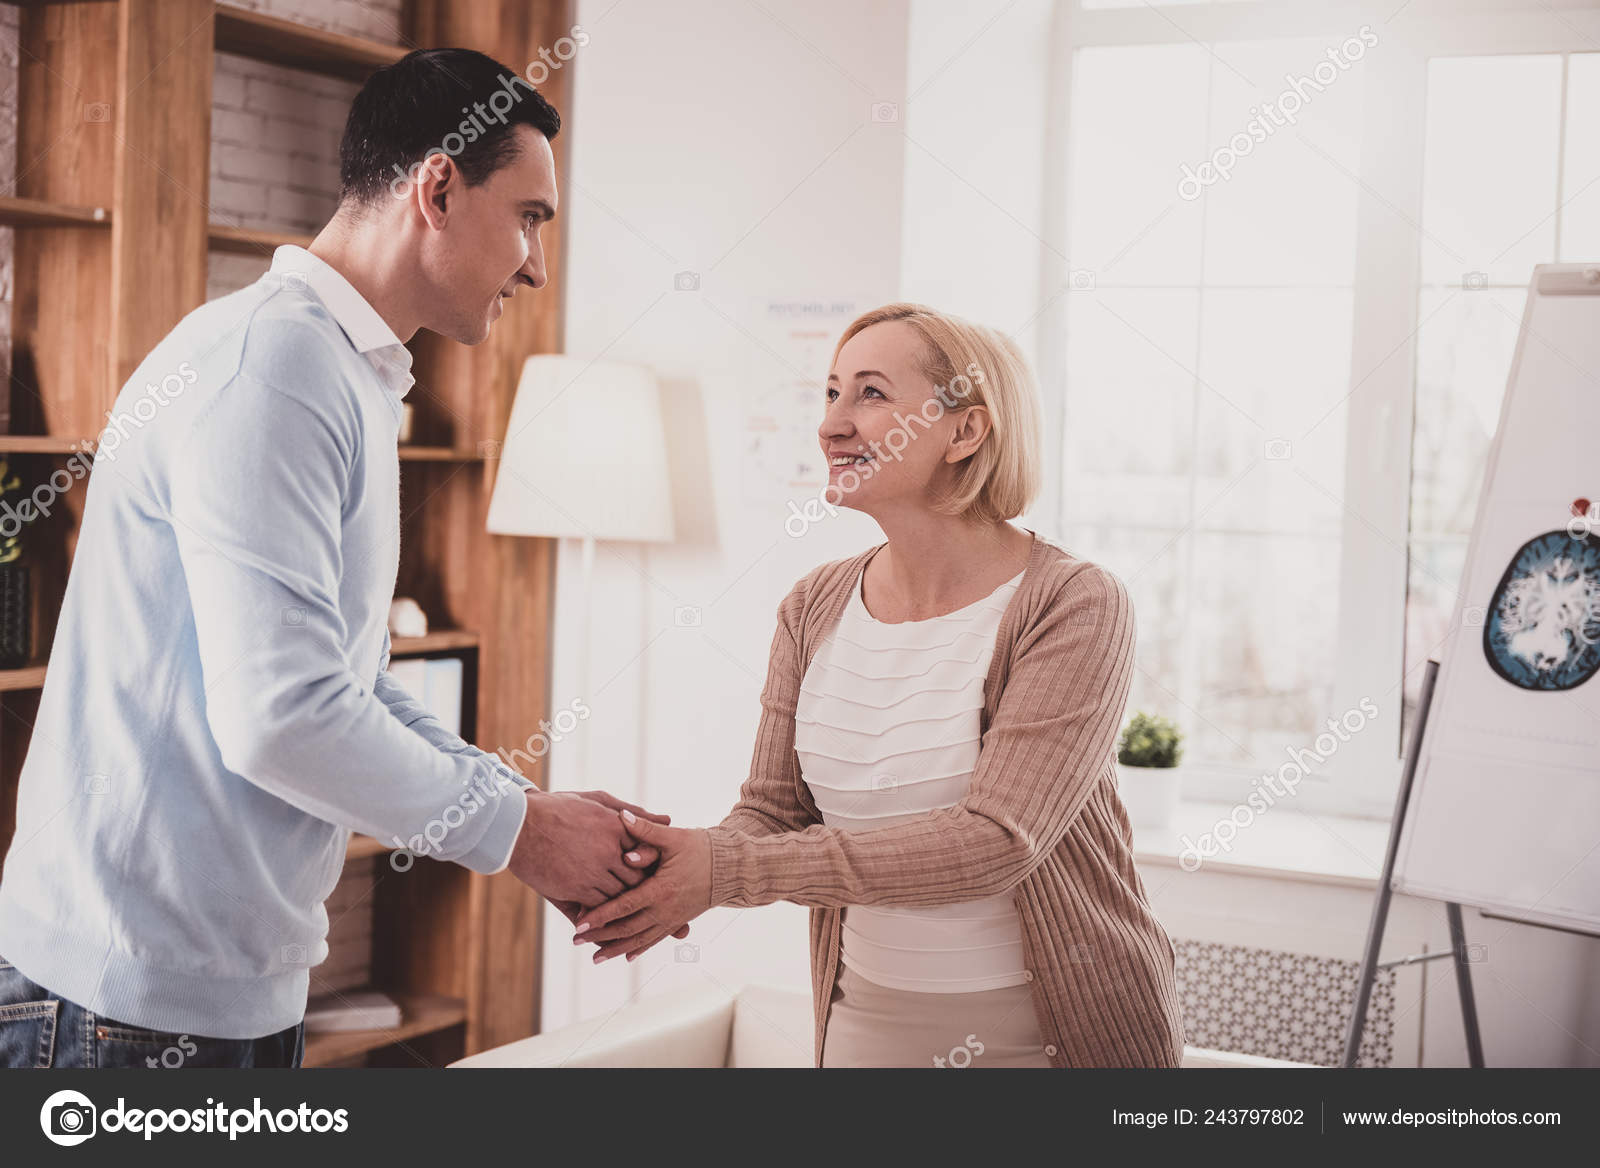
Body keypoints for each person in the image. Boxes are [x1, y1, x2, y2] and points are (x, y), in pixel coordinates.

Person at [0, 48, 668, 1069]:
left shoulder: (340, 372)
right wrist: (522, 833)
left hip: (200, 995)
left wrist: (519, 811)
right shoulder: (273, 366)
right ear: (437, 187)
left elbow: (336, 682)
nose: (537, 264)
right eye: (530, 216)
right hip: (122, 1007)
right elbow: (284, 718)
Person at [575, 303, 1185, 1068]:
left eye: (869, 394)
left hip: (1051, 1041)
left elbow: (997, 842)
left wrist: (727, 871)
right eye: (830, 394)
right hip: (866, 1023)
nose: (832, 424)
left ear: (965, 432)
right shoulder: (814, 606)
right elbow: (772, 811)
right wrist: (662, 867)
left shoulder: (1074, 603)